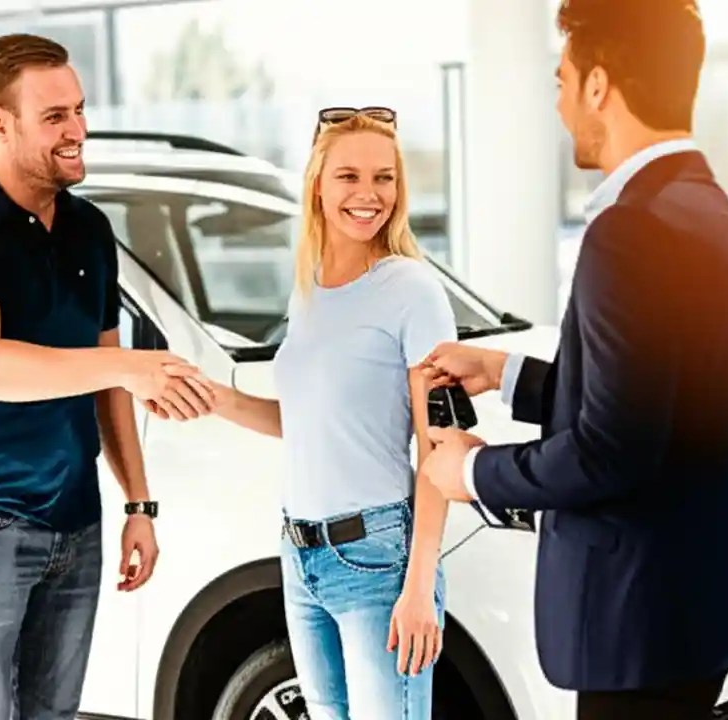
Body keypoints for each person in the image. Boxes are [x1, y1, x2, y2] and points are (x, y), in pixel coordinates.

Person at [417, 1, 728, 718]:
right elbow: (657, 406)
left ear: (598, 86)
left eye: (561, 79)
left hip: (636, 616)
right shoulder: (712, 213)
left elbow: (612, 453)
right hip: (692, 610)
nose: (556, 101)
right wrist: (506, 373)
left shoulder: (629, 232)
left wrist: (472, 472)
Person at [0, 34, 215, 720]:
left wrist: (139, 503)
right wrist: (131, 365)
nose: (77, 131)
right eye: (54, 118)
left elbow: (107, 383)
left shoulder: (88, 229)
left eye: (78, 111)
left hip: (75, 523)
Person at [184, 108, 456, 720]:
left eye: (384, 178)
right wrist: (215, 397)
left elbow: (439, 445)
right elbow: (311, 421)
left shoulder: (411, 289)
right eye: (350, 176)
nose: (369, 195)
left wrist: (419, 586)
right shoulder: (308, 287)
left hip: (378, 562)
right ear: (317, 184)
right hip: (299, 555)